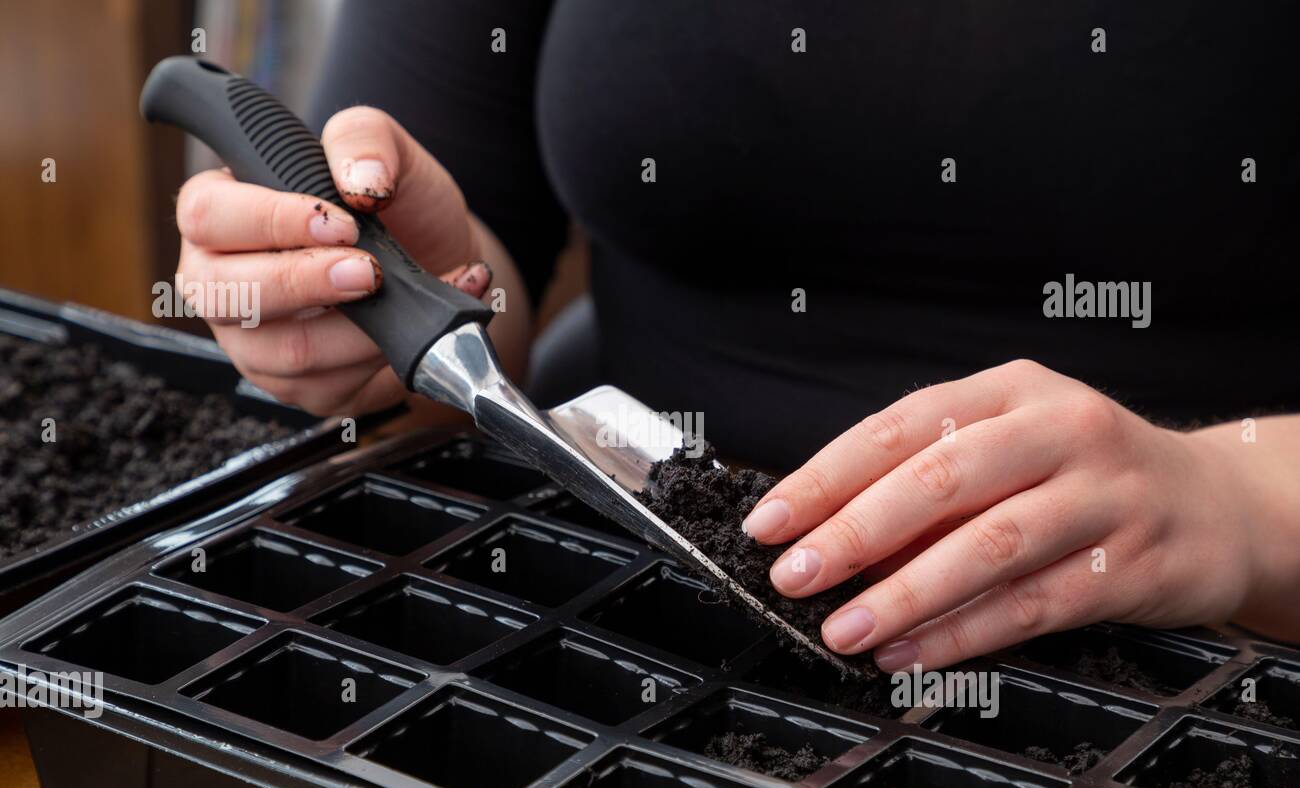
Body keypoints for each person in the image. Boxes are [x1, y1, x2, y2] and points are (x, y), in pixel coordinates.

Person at [171, 1, 1300, 673]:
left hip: (1220, 638)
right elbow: (473, 268)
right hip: (640, 581)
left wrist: (1235, 498)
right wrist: (382, 297)